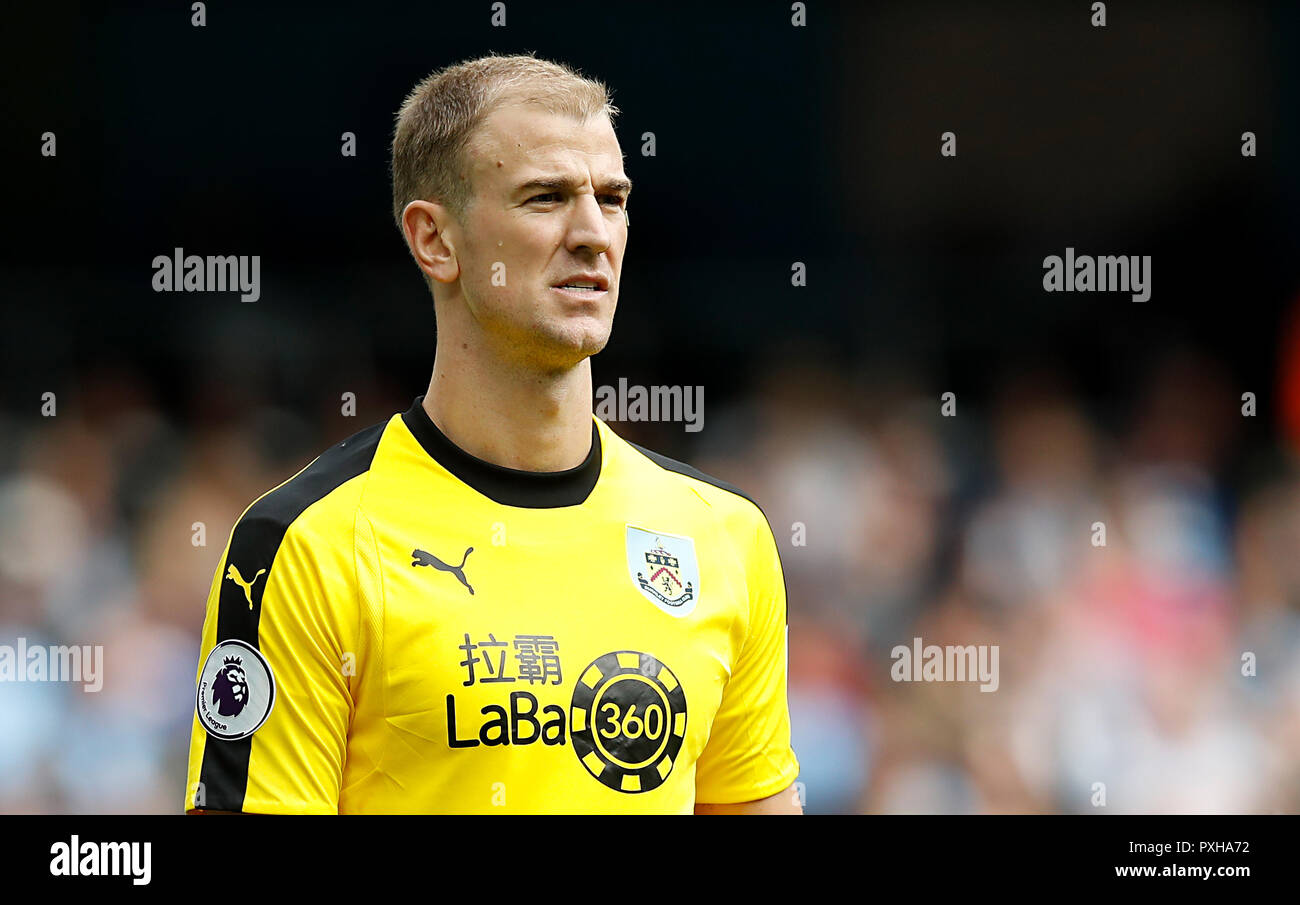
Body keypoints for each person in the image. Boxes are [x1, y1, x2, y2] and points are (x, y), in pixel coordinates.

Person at [185, 52, 800, 814]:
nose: (592, 234)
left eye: (612, 198)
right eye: (545, 198)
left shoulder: (724, 536)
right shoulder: (306, 544)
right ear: (434, 240)